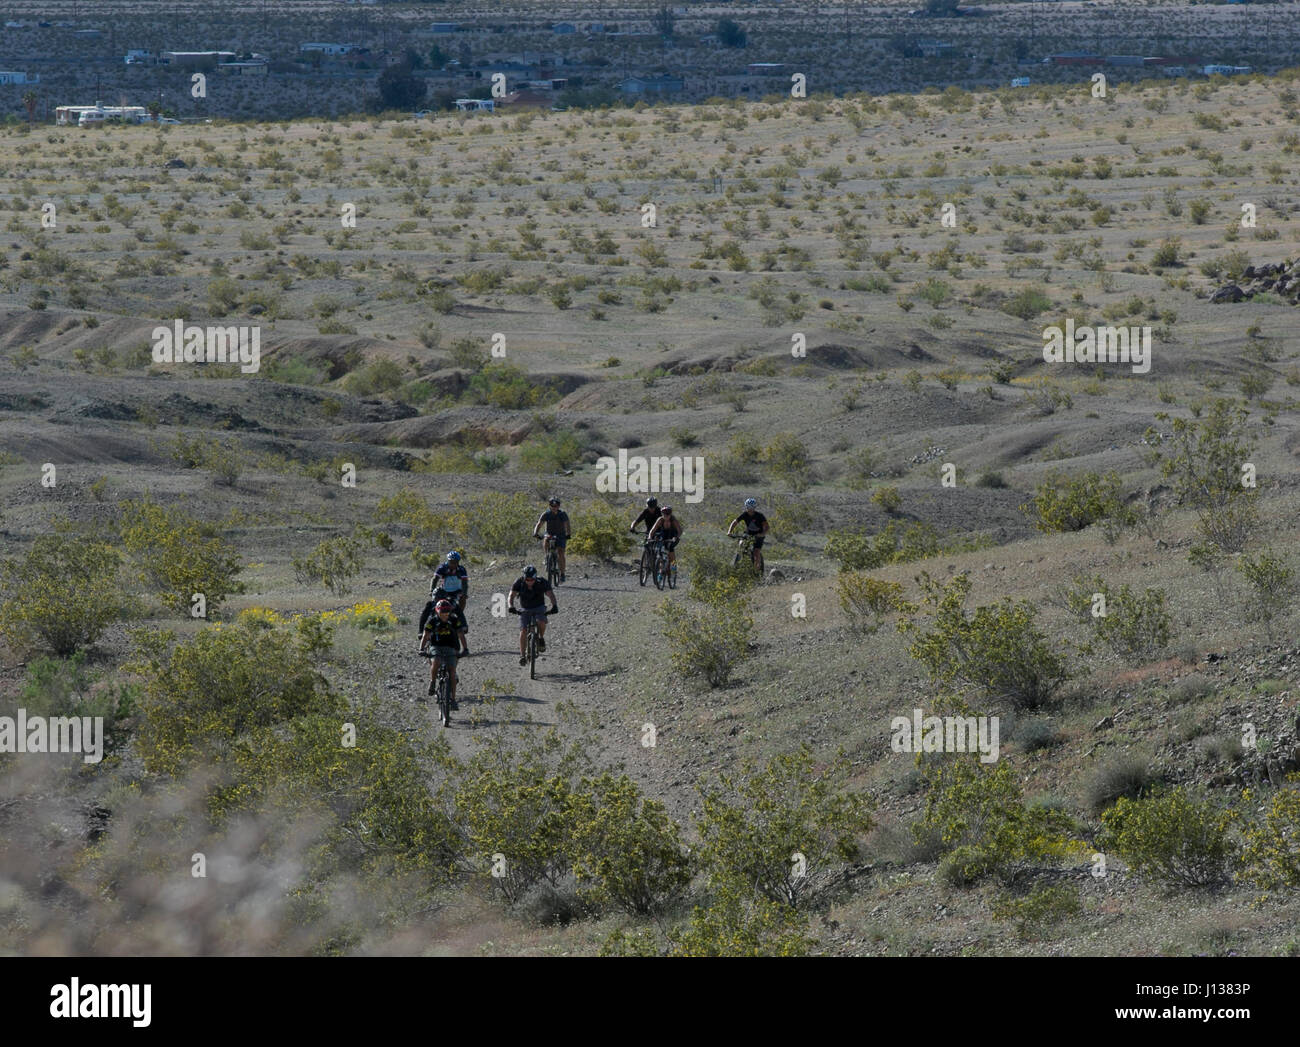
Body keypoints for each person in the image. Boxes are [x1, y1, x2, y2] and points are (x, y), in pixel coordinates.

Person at [509, 564, 558, 666]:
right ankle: (522, 656)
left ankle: (540, 638)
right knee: (523, 630)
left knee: (541, 621)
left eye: (532, 579)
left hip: (539, 607)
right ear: (524, 577)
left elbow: (550, 594)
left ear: (535, 577)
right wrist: (511, 606)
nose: (530, 581)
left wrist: (554, 606)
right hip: (525, 609)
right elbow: (511, 595)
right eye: (527, 579)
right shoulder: (519, 582)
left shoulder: (542, 582)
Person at [419, 599, 463, 709]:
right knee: (436, 662)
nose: (445, 614)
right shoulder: (432, 620)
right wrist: (421, 649)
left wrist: (465, 649)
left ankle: (453, 699)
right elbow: (425, 635)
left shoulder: (454, 620)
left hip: (451, 645)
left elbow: (461, 635)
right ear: (437, 611)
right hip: (436, 646)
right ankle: (433, 682)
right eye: (442, 611)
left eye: (447, 611)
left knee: (452, 671)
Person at [429, 551, 470, 654]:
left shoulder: (461, 569)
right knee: (436, 605)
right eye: (451, 562)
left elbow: (465, 583)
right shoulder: (442, 567)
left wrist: (464, 593)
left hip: (457, 591)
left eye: (455, 562)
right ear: (448, 561)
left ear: (458, 562)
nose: (453, 564)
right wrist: (432, 590)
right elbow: (435, 579)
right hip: (444, 591)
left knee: (458, 605)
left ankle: (463, 623)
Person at [532, 497, 570, 583]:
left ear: (558, 506)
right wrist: (535, 533)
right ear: (549, 506)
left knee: (561, 553)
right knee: (546, 539)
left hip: (560, 534)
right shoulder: (546, 514)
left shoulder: (562, 514)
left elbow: (567, 524)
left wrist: (568, 534)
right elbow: (539, 524)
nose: (554, 507)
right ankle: (547, 557)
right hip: (549, 533)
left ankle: (562, 574)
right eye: (552, 506)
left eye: (556, 506)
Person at [726, 497, 769, 570]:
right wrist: (729, 531)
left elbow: (766, 527)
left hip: (758, 535)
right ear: (746, 507)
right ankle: (738, 563)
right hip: (748, 534)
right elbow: (735, 522)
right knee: (741, 543)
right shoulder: (744, 514)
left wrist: (762, 534)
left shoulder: (760, 516)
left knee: (756, 552)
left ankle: (757, 570)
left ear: (754, 507)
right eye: (748, 507)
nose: (750, 509)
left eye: (752, 507)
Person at [646, 505, 683, 577]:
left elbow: (680, 531)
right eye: (664, 514)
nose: (666, 516)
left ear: (670, 514)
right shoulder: (660, 520)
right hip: (664, 535)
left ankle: (673, 571)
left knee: (671, 554)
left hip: (672, 536)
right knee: (660, 553)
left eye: (668, 514)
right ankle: (661, 571)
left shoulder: (673, 520)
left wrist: (676, 537)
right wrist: (650, 537)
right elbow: (652, 530)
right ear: (662, 514)